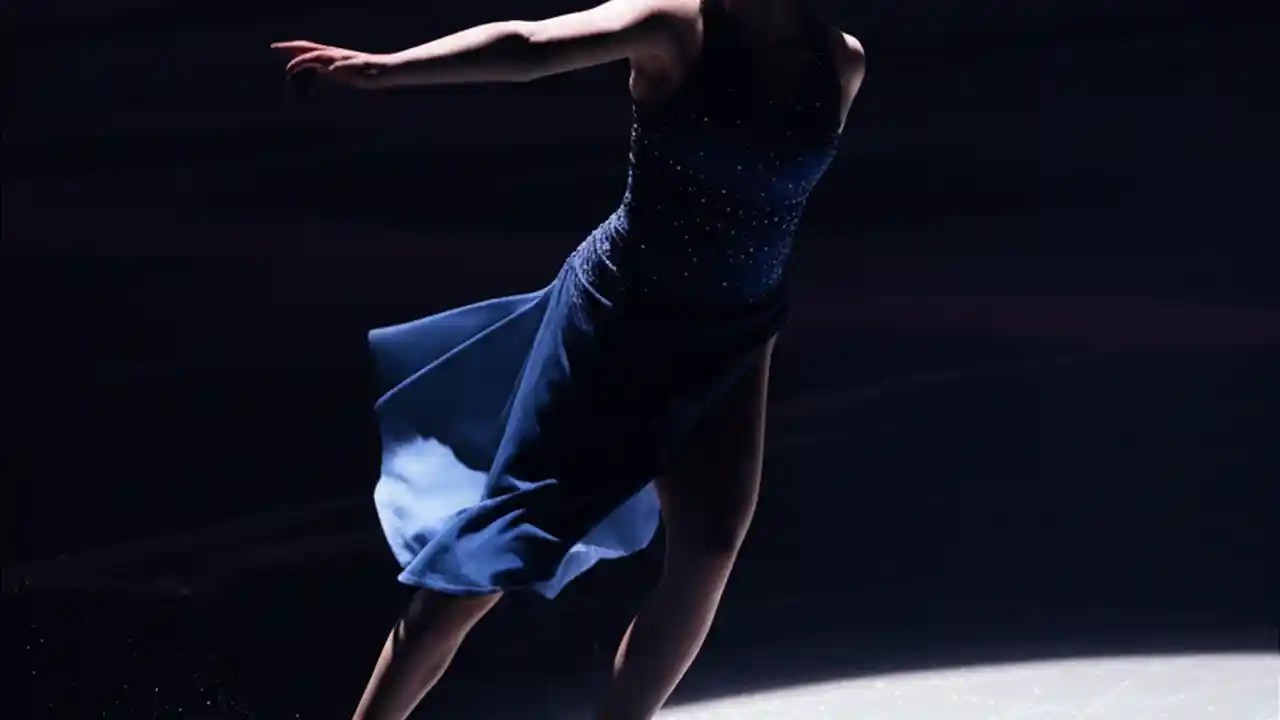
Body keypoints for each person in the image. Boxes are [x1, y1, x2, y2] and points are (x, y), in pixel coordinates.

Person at [271, 0, 864, 717]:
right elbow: (528, 45)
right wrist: (387, 70)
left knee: (709, 549)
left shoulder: (841, 60)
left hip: (735, 337)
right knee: (497, 550)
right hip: (620, 321)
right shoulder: (675, 28)